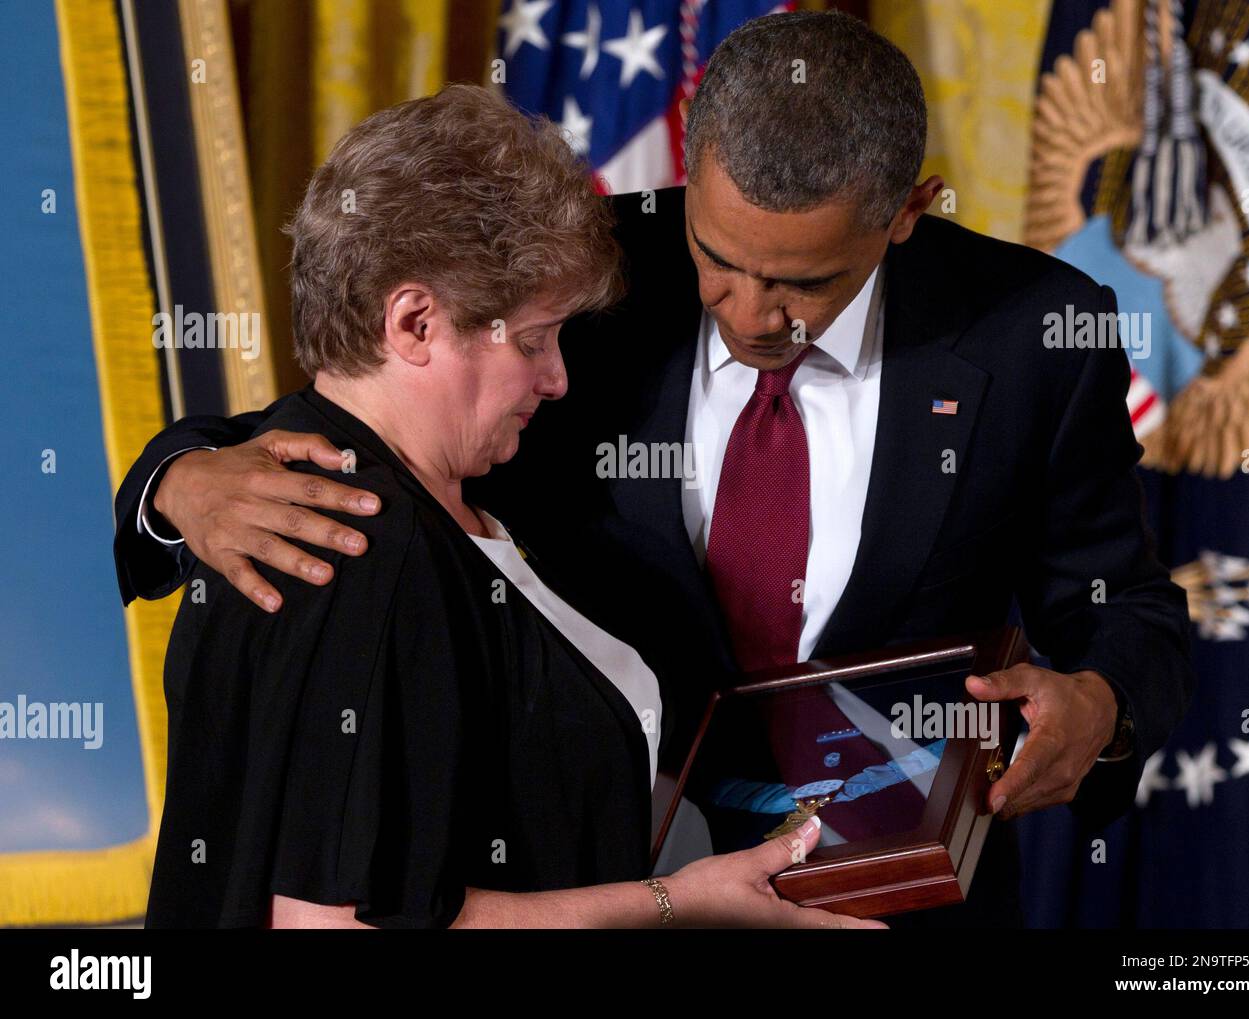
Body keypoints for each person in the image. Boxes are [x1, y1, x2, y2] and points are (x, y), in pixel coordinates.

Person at [120, 12, 1193, 928]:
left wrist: (1102, 705)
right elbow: (366, 404)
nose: (743, 312)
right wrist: (175, 479)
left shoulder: (1032, 330)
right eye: (716, 257)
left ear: (907, 212)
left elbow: (1123, 601)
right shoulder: (596, 273)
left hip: (891, 900)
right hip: (601, 883)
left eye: (801, 283)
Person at [143, 84, 880, 930]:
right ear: (415, 322)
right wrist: (679, 904)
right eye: (533, 341)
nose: (559, 378)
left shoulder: (362, 481)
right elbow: (334, 925)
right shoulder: (353, 548)